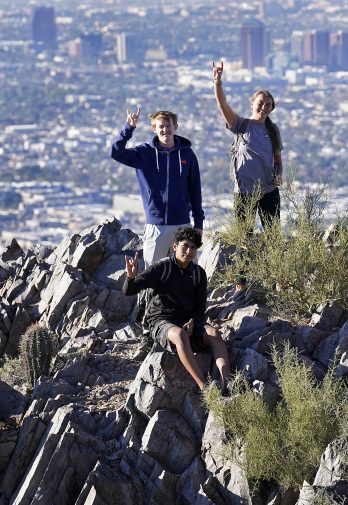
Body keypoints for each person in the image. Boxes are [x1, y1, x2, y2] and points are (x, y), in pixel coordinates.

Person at [122, 227, 231, 393]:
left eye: (193, 247)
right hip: (160, 321)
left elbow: (200, 307)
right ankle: (205, 388)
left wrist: (193, 322)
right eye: (185, 246)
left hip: (188, 321)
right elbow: (129, 290)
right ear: (175, 246)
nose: (188, 251)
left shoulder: (198, 274)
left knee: (214, 334)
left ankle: (227, 383)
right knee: (180, 335)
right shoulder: (162, 267)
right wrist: (130, 277)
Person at [110, 107, 204, 267]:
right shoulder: (144, 153)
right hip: (155, 225)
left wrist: (198, 224)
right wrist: (128, 128)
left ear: (176, 127)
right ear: (154, 128)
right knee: (152, 274)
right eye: (161, 126)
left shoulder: (187, 154)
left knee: (187, 273)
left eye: (168, 126)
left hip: (182, 224)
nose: (165, 130)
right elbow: (116, 152)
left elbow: (195, 190)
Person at [212, 61, 283, 228]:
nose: (264, 107)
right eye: (260, 103)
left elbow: (278, 161)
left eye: (268, 105)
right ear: (252, 104)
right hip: (244, 192)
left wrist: (279, 175)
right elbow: (222, 105)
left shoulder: (273, 130)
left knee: (273, 235)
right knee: (244, 236)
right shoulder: (241, 125)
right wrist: (217, 82)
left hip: (269, 190)